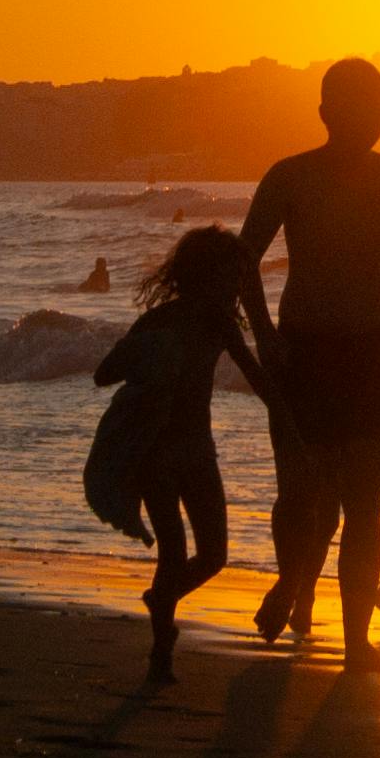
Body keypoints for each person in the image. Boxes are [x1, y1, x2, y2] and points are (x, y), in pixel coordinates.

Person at [232, 56, 380, 662]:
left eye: (379, 107)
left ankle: (355, 642)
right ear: (325, 113)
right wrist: (264, 334)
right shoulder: (290, 177)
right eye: (357, 108)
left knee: (364, 505)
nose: (371, 118)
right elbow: (242, 258)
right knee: (300, 496)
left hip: (367, 354)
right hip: (302, 351)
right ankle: (291, 583)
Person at [85, 225, 271, 682]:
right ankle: (160, 655)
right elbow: (105, 374)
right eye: (231, 277)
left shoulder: (202, 322)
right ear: (206, 275)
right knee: (177, 552)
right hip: (159, 452)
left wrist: (287, 414)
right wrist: (150, 356)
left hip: (193, 451)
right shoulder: (172, 323)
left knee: (212, 557)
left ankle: (161, 601)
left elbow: (254, 375)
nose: (237, 288)